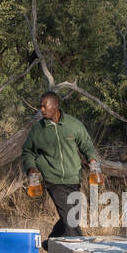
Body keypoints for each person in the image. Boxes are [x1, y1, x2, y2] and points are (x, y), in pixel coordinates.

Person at [20, 90, 99, 241]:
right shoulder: (38, 130)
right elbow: (27, 151)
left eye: (45, 106)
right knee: (71, 221)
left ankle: (51, 243)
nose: (41, 110)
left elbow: (87, 146)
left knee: (71, 217)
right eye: (40, 107)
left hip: (74, 178)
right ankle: (80, 249)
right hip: (53, 180)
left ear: (56, 105)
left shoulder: (73, 125)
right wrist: (30, 167)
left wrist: (92, 160)